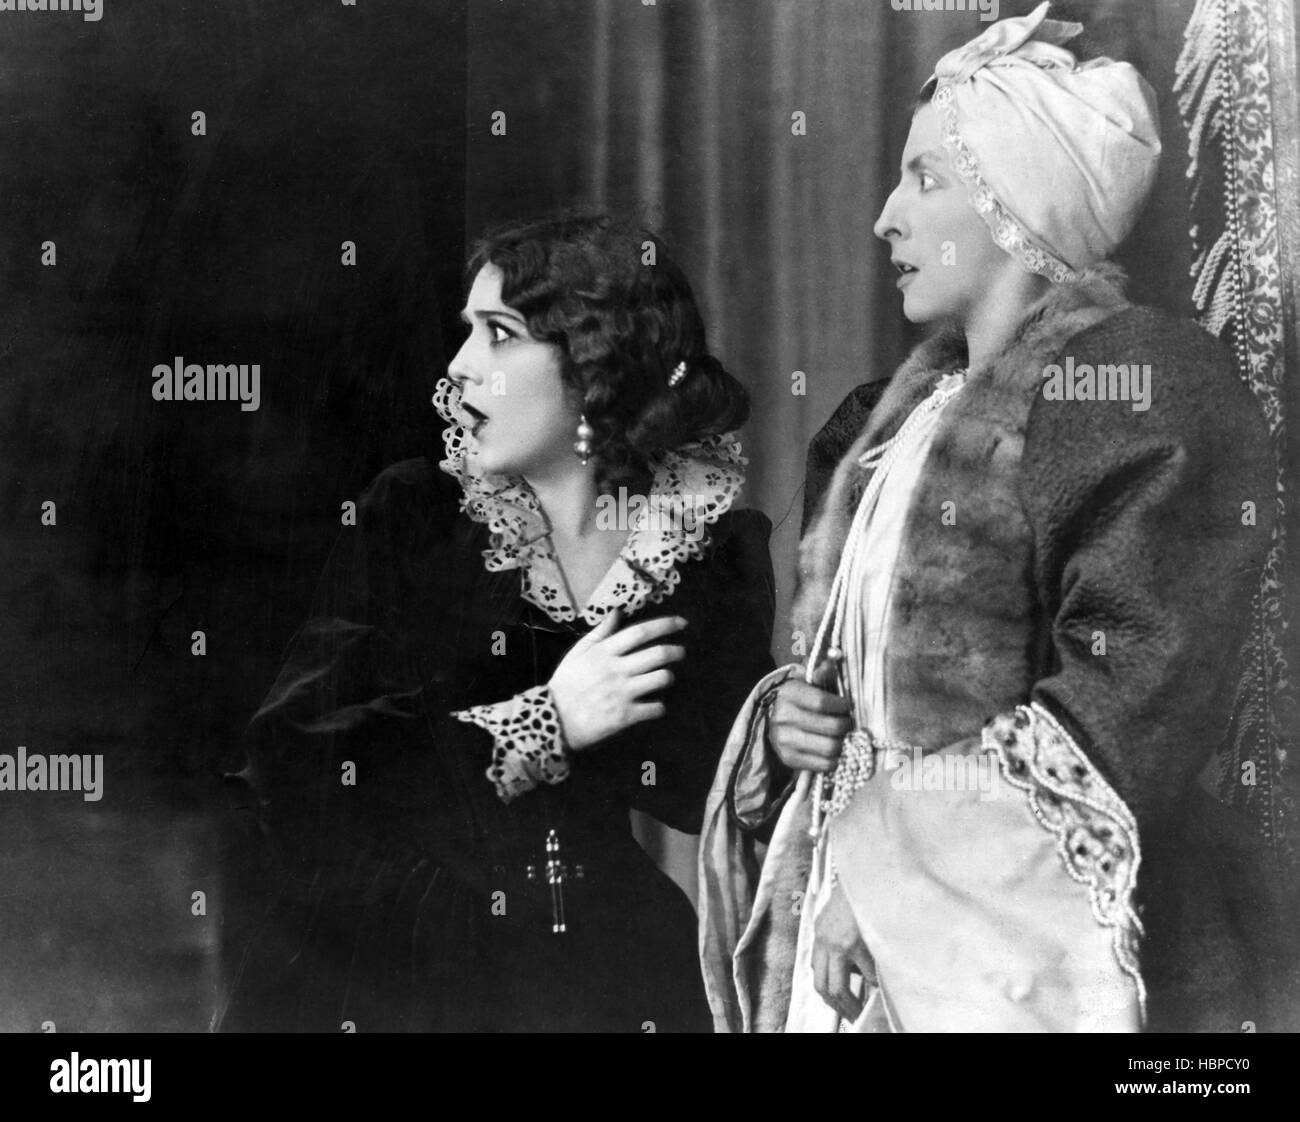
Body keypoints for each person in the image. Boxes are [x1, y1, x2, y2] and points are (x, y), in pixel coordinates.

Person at [699, 3, 1285, 1033]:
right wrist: (785, 720)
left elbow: (1129, 694)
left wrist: (892, 885)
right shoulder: (878, 429)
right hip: (845, 940)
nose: (886, 216)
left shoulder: (1136, 385)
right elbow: (853, 679)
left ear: (1018, 208)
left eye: (925, 178)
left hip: (1014, 949)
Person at [219, 211, 775, 1032]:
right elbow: (293, 753)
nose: (459, 367)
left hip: (599, 958)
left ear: (596, 364)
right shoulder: (418, 515)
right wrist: (546, 723)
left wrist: (774, 738)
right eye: (467, 333)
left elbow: (703, 787)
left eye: (498, 334)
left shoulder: (700, 546)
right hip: (393, 959)